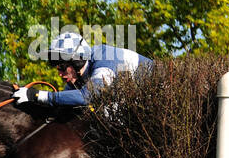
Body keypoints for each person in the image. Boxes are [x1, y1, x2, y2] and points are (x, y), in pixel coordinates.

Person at [15, 31, 153, 108]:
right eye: (57, 67)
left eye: (62, 67)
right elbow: (62, 104)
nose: (59, 73)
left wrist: (39, 95)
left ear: (76, 61)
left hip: (161, 95)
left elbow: (86, 97)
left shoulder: (104, 60)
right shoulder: (79, 76)